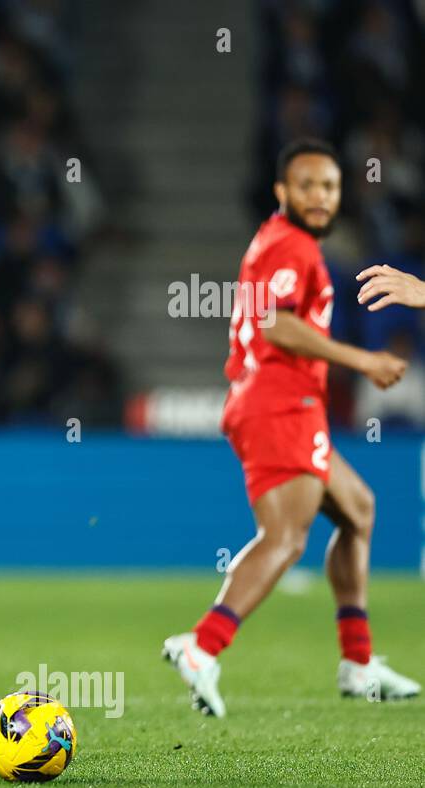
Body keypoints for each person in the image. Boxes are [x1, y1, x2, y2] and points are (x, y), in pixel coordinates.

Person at [163, 139, 420, 716]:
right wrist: (363, 361)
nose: (321, 196)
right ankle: (201, 646)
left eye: (329, 186)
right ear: (282, 191)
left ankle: (358, 663)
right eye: (307, 185)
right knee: (285, 538)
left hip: (286, 403)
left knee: (358, 508)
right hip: (279, 405)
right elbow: (276, 324)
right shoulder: (291, 246)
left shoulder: (283, 243)